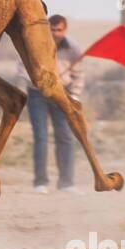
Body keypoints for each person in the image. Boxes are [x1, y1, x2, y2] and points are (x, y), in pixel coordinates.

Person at [27, 15, 82, 194]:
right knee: (41, 137)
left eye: (59, 30)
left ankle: (67, 183)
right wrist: (39, 81)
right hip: (38, 94)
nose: (55, 33)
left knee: (65, 136)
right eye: (52, 29)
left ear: (65, 30)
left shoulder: (73, 47)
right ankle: (40, 183)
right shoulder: (34, 43)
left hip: (63, 94)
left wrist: (74, 95)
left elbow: (79, 74)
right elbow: (23, 68)